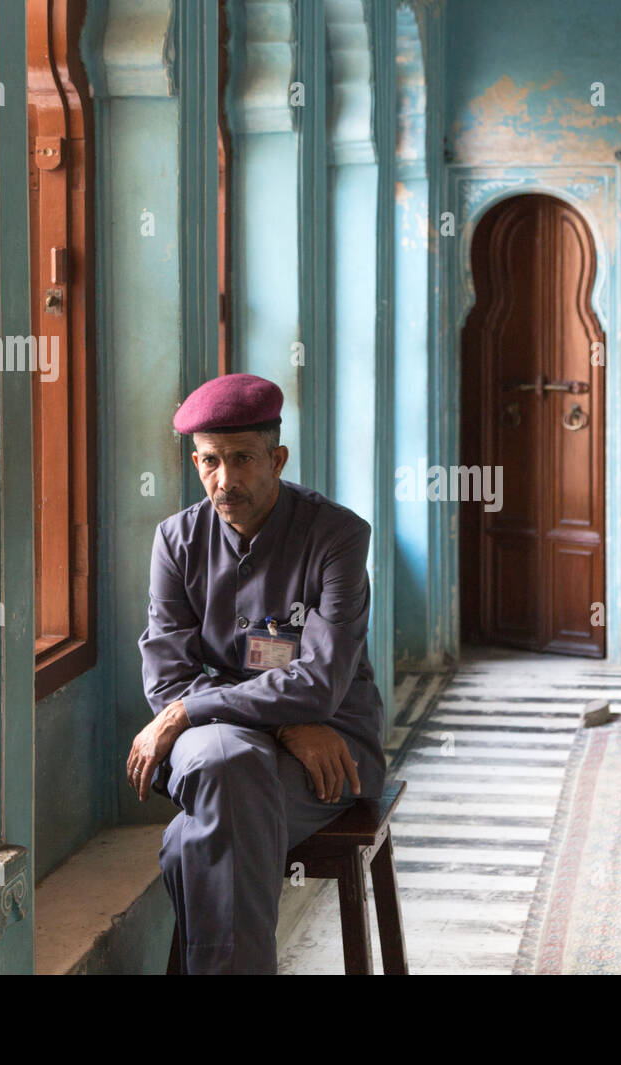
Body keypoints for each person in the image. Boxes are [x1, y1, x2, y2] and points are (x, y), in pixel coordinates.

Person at [127, 372, 386, 974]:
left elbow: (321, 683)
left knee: (203, 830)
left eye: (243, 459)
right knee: (228, 768)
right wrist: (283, 723)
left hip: (330, 751)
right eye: (211, 461)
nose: (227, 479)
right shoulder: (176, 541)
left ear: (277, 458)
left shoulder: (337, 536)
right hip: (239, 741)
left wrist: (196, 709)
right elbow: (167, 678)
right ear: (196, 463)